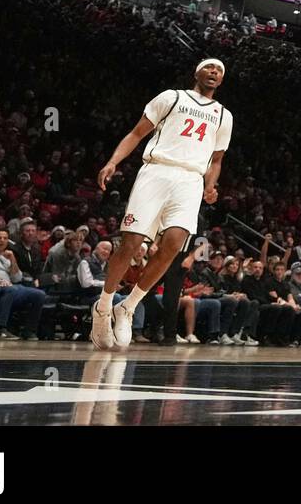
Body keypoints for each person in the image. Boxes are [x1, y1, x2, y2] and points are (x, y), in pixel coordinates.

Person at [91, 59, 233, 350]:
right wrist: (113, 162)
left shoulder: (223, 116)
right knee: (130, 243)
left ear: (221, 80)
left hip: (191, 180)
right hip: (157, 171)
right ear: (197, 72)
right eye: (209, 67)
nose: (214, 72)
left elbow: (216, 160)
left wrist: (210, 185)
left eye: (219, 70)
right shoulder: (172, 97)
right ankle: (103, 307)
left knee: (173, 244)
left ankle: (128, 307)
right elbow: (136, 133)